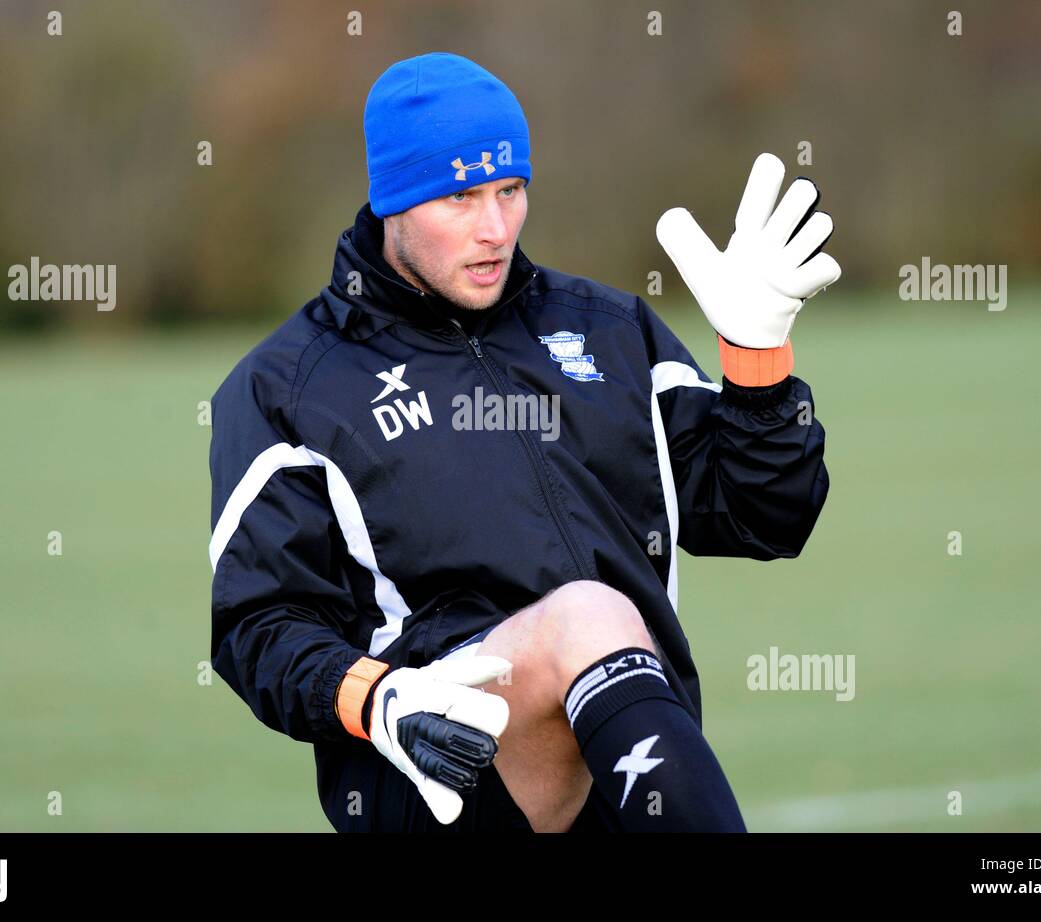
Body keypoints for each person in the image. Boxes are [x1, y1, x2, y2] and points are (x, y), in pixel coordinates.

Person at [207, 51, 839, 832]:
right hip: (437, 769)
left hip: (619, 778)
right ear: (393, 201)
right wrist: (375, 698)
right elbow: (257, 627)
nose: (495, 228)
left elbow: (766, 519)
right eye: (461, 197)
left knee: (591, 624)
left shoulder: (610, 333)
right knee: (585, 617)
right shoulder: (290, 386)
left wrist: (757, 368)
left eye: (510, 191)